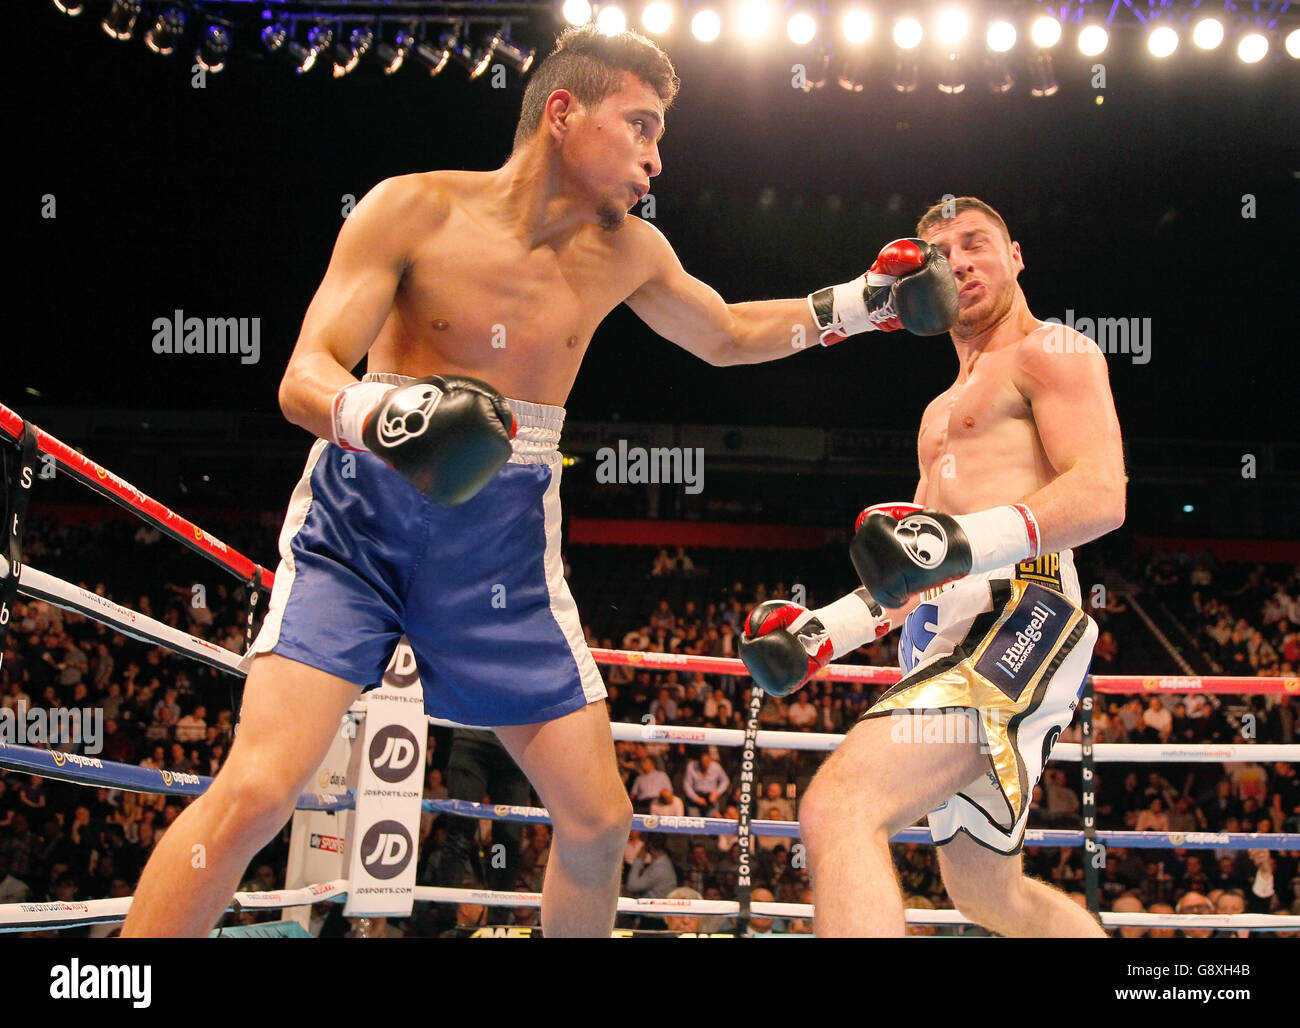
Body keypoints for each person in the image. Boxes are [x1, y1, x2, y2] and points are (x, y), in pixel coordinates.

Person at [122, 26, 955, 939]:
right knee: (254, 794)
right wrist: (390, 419)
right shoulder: (412, 208)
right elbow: (304, 376)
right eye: (639, 125)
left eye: (660, 134)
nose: (655, 156)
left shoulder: (628, 250)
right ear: (563, 112)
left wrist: (862, 303)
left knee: (599, 824)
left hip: (503, 546)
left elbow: (725, 334)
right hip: (359, 523)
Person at [741, 197, 1125, 937]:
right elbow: (917, 573)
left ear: (1016, 256)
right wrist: (822, 634)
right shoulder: (939, 410)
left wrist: (966, 543)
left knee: (839, 806)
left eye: (977, 243)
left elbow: (1102, 494)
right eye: (941, 254)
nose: (962, 262)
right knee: (987, 895)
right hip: (943, 635)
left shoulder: (1055, 350)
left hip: (1019, 612)